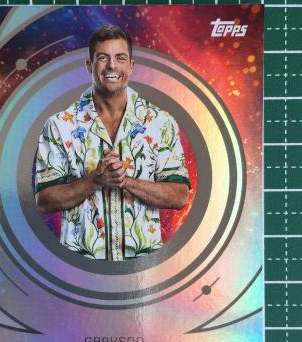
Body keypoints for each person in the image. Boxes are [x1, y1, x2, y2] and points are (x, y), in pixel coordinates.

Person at [35, 25, 190, 260]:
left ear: (131, 66)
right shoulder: (59, 125)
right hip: (81, 268)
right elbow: (45, 201)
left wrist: (126, 181)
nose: (112, 66)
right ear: (89, 65)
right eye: (102, 58)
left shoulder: (160, 122)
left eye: (120, 58)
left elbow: (179, 196)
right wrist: (95, 180)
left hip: (143, 269)